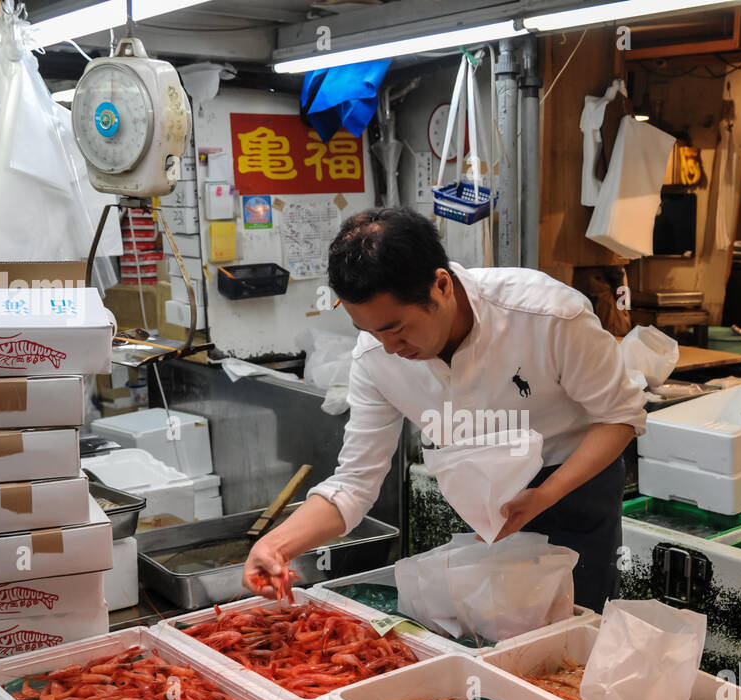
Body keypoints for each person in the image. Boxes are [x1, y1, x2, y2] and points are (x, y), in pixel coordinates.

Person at [244, 207, 647, 611]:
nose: (390, 348)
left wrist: (545, 495)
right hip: (483, 496)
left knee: (573, 629)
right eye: (370, 332)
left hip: (572, 484)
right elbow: (354, 485)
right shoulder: (375, 359)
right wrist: (275, 544)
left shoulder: (548, 314)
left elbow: (621, 416)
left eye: (397, 329)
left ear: (441, 286)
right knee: (492, 630)